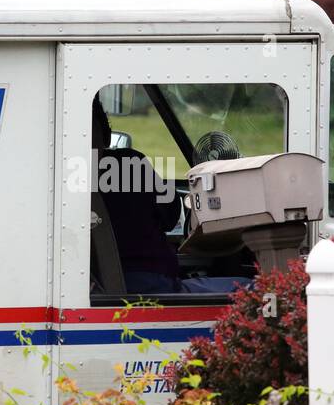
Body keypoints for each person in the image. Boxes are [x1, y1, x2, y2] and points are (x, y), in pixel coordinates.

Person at [92, 97, 247, 295]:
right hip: (155, 285)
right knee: (254, 287)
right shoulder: (129, 163)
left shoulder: (69, 178)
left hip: (105, 289)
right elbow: (171, 215)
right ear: (105, 134)